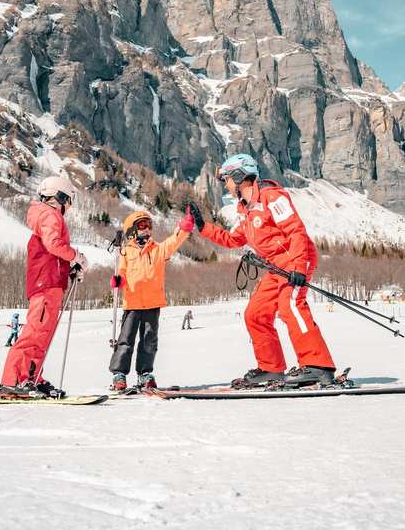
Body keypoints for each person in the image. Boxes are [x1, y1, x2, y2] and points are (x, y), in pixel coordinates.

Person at [188, 153, 336, 388]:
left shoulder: (271, 197)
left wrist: (298, 266)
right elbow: (233, 239)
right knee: (255, 314)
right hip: (276, 267)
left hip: (297, 259)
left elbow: (295, 230)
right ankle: (270, 368)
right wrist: (203, 227)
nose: (225, 184)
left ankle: (318, 366)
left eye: (226, 179)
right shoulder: (246, 209)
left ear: (239, 176)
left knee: (290, 306)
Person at [0, 176, 86, 400]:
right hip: (46, 283)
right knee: (34, 333)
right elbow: (54, 245)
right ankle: (12, 382)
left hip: (51, 282)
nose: (69, 207)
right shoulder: (50, 215)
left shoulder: (47, 216)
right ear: (59, 196)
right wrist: (75, 256)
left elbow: (52, 252)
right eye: (69, 201)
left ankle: (31, 377)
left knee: (43, 335)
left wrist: (70, 267)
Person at [108, 209, 192, 391]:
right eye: (142, 225)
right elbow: (121, 271)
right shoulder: (125, 252)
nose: (147, 229)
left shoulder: (158, 250)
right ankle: (119, 374)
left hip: (153, 303)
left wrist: (184, 228)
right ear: (131, 230)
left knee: (149, 341)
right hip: (132, 303)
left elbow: (174, 241)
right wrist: (118, 280)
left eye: (149, 225)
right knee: (126, 340)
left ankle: (145, 373)